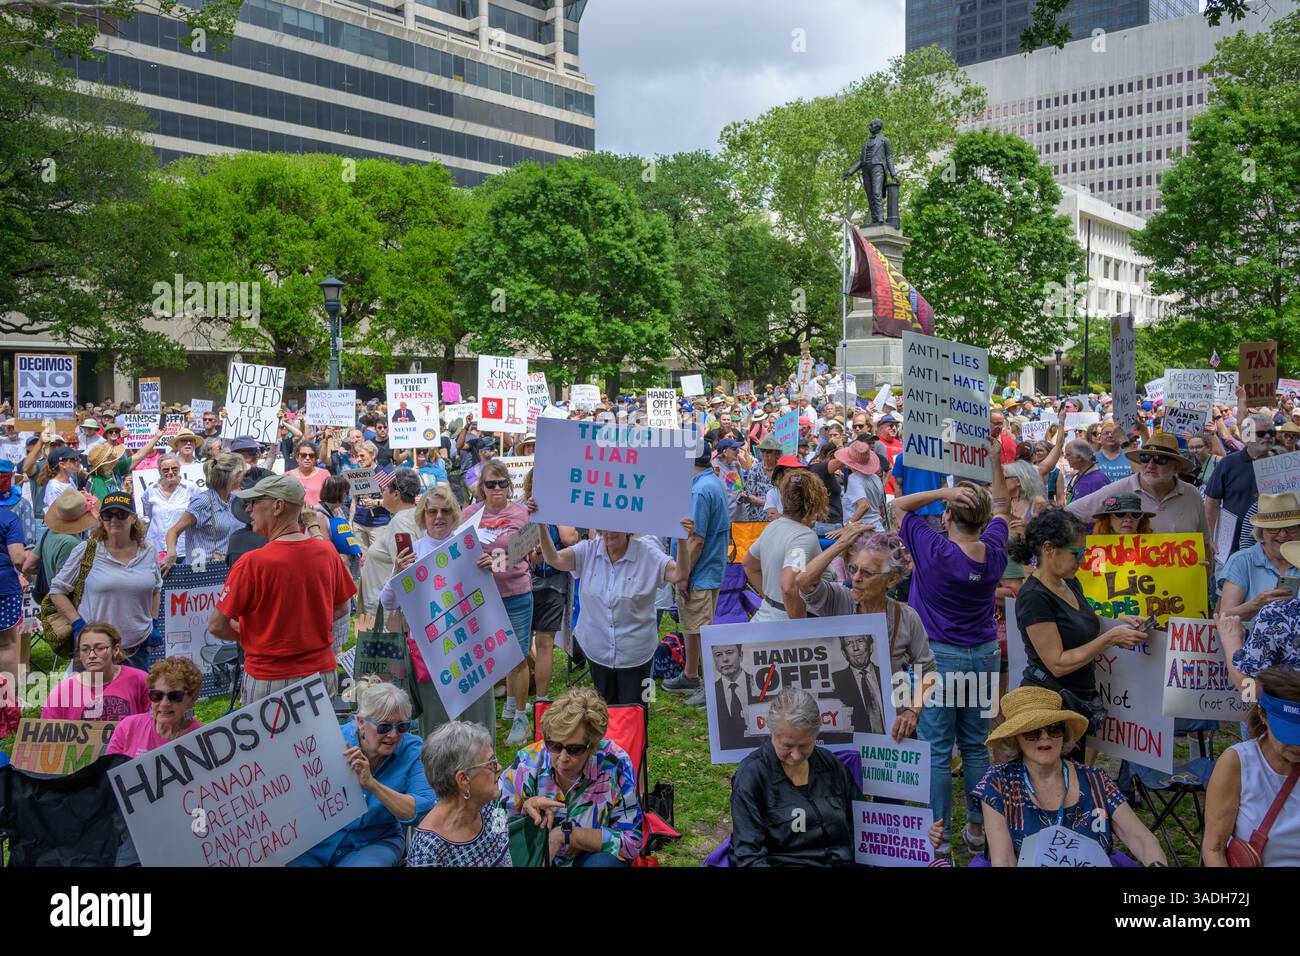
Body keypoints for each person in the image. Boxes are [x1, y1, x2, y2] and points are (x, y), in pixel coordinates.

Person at [891, 437, 1009, 855]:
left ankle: (936, 838)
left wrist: (944, 490)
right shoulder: (994, 552)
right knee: (976, 745)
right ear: (983, 520)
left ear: (946, 515)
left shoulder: (936, 550)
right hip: (983, 655)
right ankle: (978, 827)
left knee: (938, 750)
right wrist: (994, 461)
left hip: (938, 660)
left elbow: (897, 506)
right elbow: (1004, 507)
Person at [1009, 510, 1150, 755]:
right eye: (1077, 553)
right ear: (1049, 549)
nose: (1082, 560)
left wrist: (1116, 623)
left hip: (1075, 701)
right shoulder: (1033, 597)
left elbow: (1078, 624)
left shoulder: (1069, 581)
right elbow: (1057, 663)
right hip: (1049, 705)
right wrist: (1110, 638)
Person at [974, 686, 1167, 866]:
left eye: (1053, 728)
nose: (1045, 737)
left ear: (1064, 733)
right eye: (1032, 732)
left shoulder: (1095, 779)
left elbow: (1141, 838)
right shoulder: (998, 783)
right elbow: (1004, 860)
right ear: (1015, 738)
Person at [208, 474, 356, 702]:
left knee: (269, 739)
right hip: (320, 673)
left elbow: (217, 625)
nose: (249, 509)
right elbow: (342, 608)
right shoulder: (327, 553)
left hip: (269, 677)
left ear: (277, 506)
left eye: (255, 502)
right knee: (317, 739)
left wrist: (256, 636)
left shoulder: (251, 563)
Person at [534, 515, 693, 705]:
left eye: (616, 527)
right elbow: (554, 559)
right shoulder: (588, 550)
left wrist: (682, 539)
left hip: (637, 656)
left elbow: (679, 574)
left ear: (628, 529)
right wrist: (541, 524)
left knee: (637, 712)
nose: (610, 533)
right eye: (604, 528)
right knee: (604, 713)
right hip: (598, 653)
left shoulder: (647, 554)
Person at [796, 525, 933, 742]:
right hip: (842, 723)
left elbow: (927, 670)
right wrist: (841, 543)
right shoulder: (840, 600)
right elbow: (803, 582)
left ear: (891, 580)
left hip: (891, 726)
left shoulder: (906, 617)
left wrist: (912, 711)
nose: (856, 578)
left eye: (867, 572)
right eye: (853, 568)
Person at [383, 487, 495, 737]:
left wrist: (488, 572)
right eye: (432, 511)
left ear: (454, 514)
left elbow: (486, 601)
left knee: (478, 725)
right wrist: (397, 574)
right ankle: (439, 776)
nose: (438, 516)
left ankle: (481, 771)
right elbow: (388, 603)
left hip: (472, 650)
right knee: (438, 730)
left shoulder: (468, 547)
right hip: (432, 655)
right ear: (423, 516)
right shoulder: (412, 554)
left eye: (445, 510)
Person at [290, 683, 435, 867]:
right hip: (318, 841)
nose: (393, 735)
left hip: (374, 840)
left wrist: (372, 784)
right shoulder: (329, 739)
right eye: (384, 727)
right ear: (360, 722)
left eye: (402, 726)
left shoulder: (412, 750)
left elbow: (421, 811)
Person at [498, 686, 644, 866]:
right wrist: (524, 808)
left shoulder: (614, 765)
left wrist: (565, 835)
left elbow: (631, 842)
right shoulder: (526, 764)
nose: (563, 758)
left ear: (592, 746)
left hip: (588, 859)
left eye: (575, 749)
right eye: (554, 746)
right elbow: (492, 827)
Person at [729, 687, 863, 866]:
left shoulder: (831, 765)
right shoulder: (752, 777)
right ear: (772, 732)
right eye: (787, 745)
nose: (796, 755)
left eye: (805, 745)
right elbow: (748, 856)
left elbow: (861, 826)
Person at [462, 459, 534, 744]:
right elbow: (459, 552)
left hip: (516, 592)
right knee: (487, 656)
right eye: (490, 484)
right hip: (481, 596)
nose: (496, 489)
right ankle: (495, 710)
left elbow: (525, 554)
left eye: (502, 483)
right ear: (481, 487)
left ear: (509, 484)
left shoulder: (522, 514)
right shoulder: (469, 514)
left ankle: (520, 717)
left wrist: (495, 561)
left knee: (516, 656)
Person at [49, 493, 161, 672]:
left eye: (121, 514)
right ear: (101, 519)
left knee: (133, 699)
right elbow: (57, 590)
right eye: (108, 515)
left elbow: (156, 589)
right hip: (95, 649)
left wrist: (153, 623)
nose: (114, 520)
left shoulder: (148, 551)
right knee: (90, 700)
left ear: (133, 518)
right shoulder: (87, 550)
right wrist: (78, 624)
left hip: (137, 647)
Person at [1204, 668, 1300, 866]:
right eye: (1288, 734)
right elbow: (1214, 849)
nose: (1297, 746)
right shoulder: (1237, 762)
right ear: (1263, 715)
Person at [664, 442, 730, 707]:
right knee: (692, 627)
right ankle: (691, 675)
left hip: (699, 573)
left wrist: (683, 575)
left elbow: (695, 541)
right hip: (705, 570)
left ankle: (712, 689)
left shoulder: (701, 490)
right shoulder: (710, 482)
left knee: (701, 631)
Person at [1067, 433, 1209, 550]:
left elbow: (1205, 544)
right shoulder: (1118, 489)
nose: (1150, 465)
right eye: (1145, 458)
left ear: (1176, 467)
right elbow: (1068, 514)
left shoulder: (1192, 495)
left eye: (1160, 459)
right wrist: (1086, 551)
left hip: (1177, 582)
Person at [409, 721, 511, 867]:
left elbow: (503, 846)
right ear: (463, 779)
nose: (499, 767)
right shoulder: (427, 852)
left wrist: (527, 805)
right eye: (491, 763)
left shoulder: (491, 806)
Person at [1218, 535, 1300, 686]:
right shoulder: (1242, 560)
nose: (1282, 534)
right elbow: (1223, 615)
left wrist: (1231, 642)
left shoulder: (1274, 613)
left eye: (1291, 527)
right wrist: (1255, 604)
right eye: (1275, 529)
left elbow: (1250, 688)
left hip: (1279, 701)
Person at [744, 470, 826, 621]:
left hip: (766, 618)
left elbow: (749, 564)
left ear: (782, 501)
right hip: (784, 628)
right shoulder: (804, 537)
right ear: (816, 504)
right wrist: (800, 626)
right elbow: (788, 587)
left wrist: (770, 599)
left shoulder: (772, 527)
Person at [41, 621, 149, 721]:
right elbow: (46, 735)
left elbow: (156, 725)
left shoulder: (140, 680)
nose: (92, 655)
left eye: (100, 648)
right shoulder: (62, 691)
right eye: (85, 649)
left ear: (115, 650)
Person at [1206, 413, 1277, 562]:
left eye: (1272, 433)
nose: (1268, 437)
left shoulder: (1283, 463)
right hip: (1232, 546)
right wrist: (1209, 537)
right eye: (1261, 433)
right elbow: (1212, 503)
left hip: (1274, 545)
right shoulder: (1228, 464)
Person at [105, 656, 204, 759]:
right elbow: (108, 771)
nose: (164, 703)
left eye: (174, 696)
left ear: (191, 700)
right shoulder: (128, 727)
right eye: (157, 695)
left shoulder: (202, 738)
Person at [162, 452, 247, 571]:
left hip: (229, 570)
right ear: (230, 476)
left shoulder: (235, 500)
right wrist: (171, 554)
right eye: (240, 472)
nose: (243, 476)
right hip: (203, 574)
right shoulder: (203, 501)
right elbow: (173, 531)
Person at [358, 468, 421, 627]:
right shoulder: (410, 516)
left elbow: (407, 570)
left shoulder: (400, 522)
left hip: (387, 618)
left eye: (384, 489)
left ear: (396, 494)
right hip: (385, 612)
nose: (382, 494)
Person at [141, 453, 191, 561]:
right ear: (159, 471)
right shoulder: (150, 491)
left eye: (174, 468)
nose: (171, 472)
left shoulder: (190, 488)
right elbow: (149, 515)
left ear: (179, 468)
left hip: (183, 547)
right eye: (165, 470)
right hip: (157, 548)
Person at [836, 438, 887, 531]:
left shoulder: (854, 479)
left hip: (863, 533)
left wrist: (847, 527)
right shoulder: (876, 478)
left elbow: (864, 506)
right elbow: (881, 510)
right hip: (878, 529)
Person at [741, 434, 782, 522]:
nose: (765, 454)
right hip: (756, 519)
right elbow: (749, 495)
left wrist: (761, 502)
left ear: (777, 453)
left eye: (769, 451)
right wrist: (769, 503)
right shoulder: (755, 469)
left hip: (777, 518)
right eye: (763, 451)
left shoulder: (782, 471)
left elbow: (785, 496)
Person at [1062, 440, 1108, 505]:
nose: (1065, 457)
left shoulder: (1097, 480)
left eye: (1068, 454)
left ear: (1079, 457)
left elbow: (1102, 511)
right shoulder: (1079, 474)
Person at [1090, 493, 1155, 536]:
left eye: (1135, 515)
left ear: (1140, 521)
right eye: (1120, 514)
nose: (1128, 519)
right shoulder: (1092, 551)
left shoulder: (1156, 549)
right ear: (1108, 520)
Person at [41, 446, 83, 511]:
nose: (79, 460)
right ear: (62, 464)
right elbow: (56, 515)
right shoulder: (54, 488)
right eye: (74, 459)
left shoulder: (70, 479)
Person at [288, 440, 329, 507]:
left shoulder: (324, 474)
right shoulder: (287, 476)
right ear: (297, 458)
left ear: (315, 458)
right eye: (303, 455)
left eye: (311, 455)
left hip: (318, 515)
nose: (307, 458)